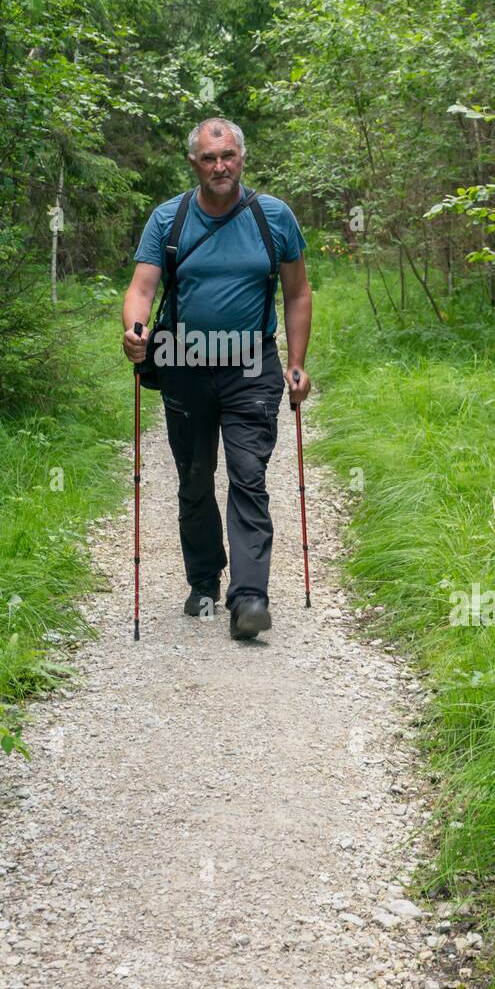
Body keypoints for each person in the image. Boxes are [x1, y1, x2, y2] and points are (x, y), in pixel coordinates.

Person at [122, 117, 311, 641]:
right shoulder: (169, 219)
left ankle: (249, 598)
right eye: (209, 158)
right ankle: (204, 579)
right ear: (194, 164)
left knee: (248, 475)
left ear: (242, 158)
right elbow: (141, 286)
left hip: (252, 365)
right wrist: (135, 331)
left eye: (227, 156)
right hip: (183, 361)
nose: (219, 166)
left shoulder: (274, 218)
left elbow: (297, 292)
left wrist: (296, 363)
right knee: (195, 476)